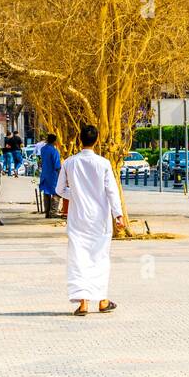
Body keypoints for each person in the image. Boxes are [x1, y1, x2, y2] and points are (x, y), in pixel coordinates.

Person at [55, 123, 124, 315]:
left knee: (78, 259)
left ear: (80, 140)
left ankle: (83, 303)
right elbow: (112, 191)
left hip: (78, 220)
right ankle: (102, 300)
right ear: (97, 141)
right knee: (100, 258)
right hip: (100, 220)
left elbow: (59, 190)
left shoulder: (69, 163)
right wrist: (118, 215)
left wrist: (75, 195)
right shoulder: (103, 164)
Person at [38, 133, 62, 217]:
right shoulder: (54, 151)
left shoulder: (43, 149)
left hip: (44, 174)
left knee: (46, 192)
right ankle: (53, 212)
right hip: (53, 175)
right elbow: (57, 165)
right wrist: (61, 176)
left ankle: (47, 212)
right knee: (57, 192)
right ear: (55, 141)